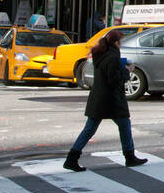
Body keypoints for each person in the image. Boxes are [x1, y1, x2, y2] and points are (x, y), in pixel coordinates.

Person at [63, 30, 148, 171]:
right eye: (120, 42)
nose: (121, 44)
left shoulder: (101, 54)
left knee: (90, 129)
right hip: (112, 100)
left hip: (99, 98)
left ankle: (72, 158)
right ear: (116, 43)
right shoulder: (113, 57)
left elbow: (108, 74)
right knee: (124, 126)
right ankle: (129, 157)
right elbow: (114, 80)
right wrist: (127, 71)